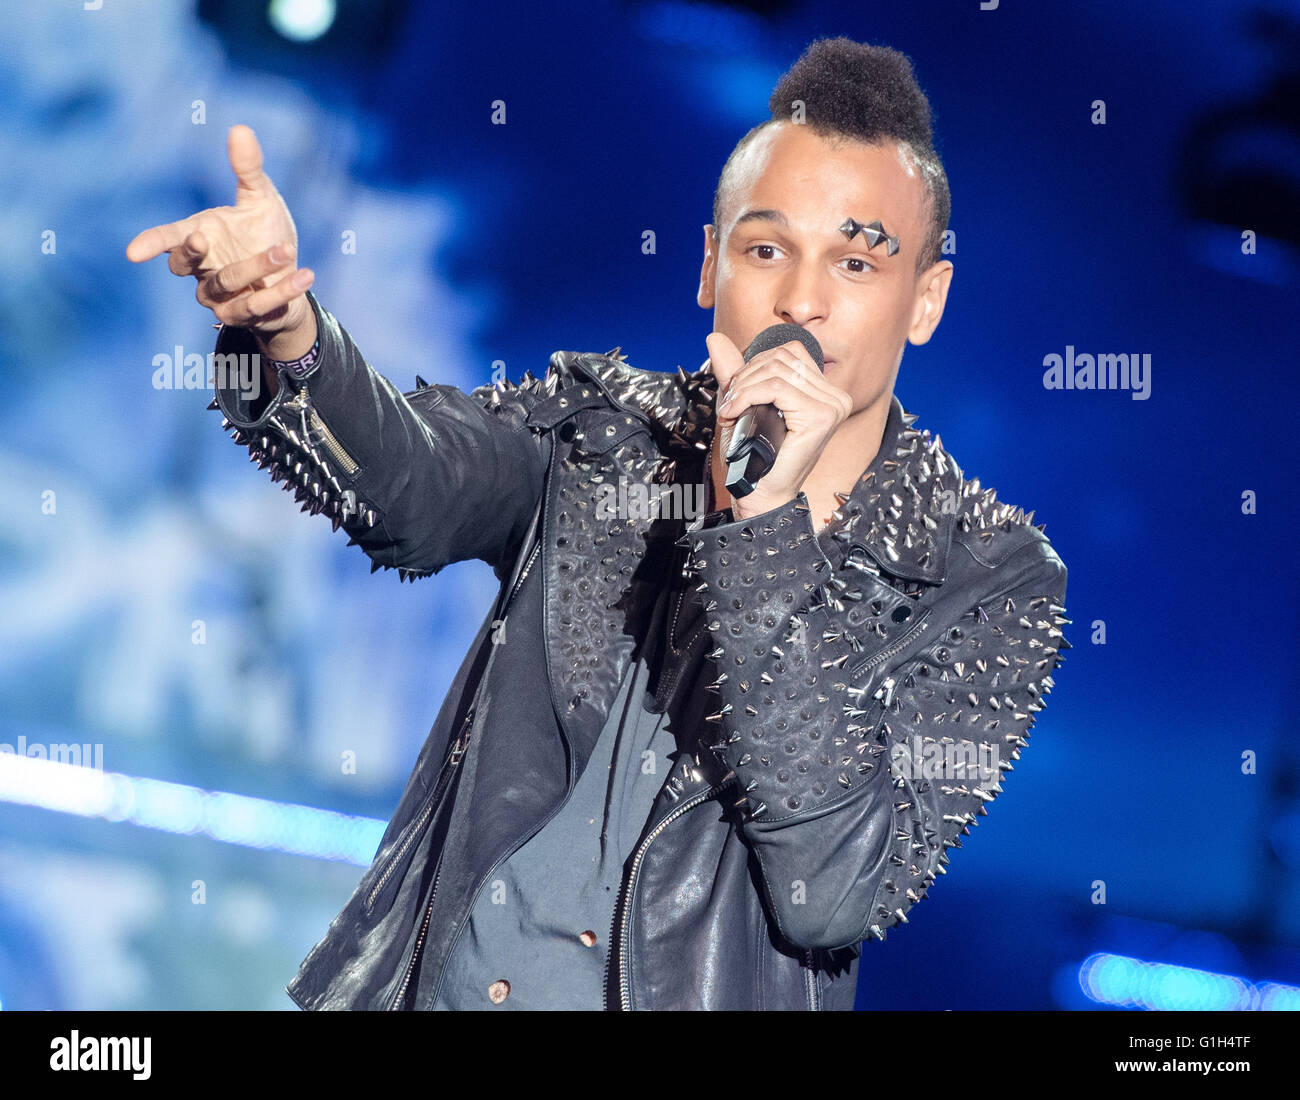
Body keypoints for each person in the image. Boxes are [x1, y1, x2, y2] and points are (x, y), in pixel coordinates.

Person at [126, 37, 1069, 1011]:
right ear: (709, 267)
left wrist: (764, 530)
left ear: (925, 298)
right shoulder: (603, 433)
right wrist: (286, 330)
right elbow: (406, 485)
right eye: (765, 248)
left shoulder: (984, 579)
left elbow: (829, 887)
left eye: (856, 262)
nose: (801, 299)